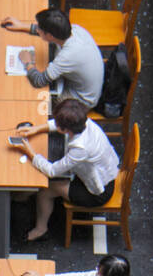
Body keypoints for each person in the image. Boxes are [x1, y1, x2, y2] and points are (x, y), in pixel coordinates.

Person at [15, 98, 119, 240]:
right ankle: (25, 196)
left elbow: (52, 171)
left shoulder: (80, 149)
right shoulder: (85, 122)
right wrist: (37, 128)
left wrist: (30, 152)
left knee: (45, 191)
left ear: (65, 129)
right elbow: (59, 125)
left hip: (97, 192)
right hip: (104, 174)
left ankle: (41, 229)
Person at [1, 7, 103, 108]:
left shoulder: (66, 57)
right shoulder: (75, 30)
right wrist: (22, 26)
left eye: (40, 28)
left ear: (50, 36)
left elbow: (38, 81)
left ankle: (50, 118)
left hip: (83, 99)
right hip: (85, 84)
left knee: (42, 104)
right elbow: (49, 32)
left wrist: (28, 62)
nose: (37, 29)